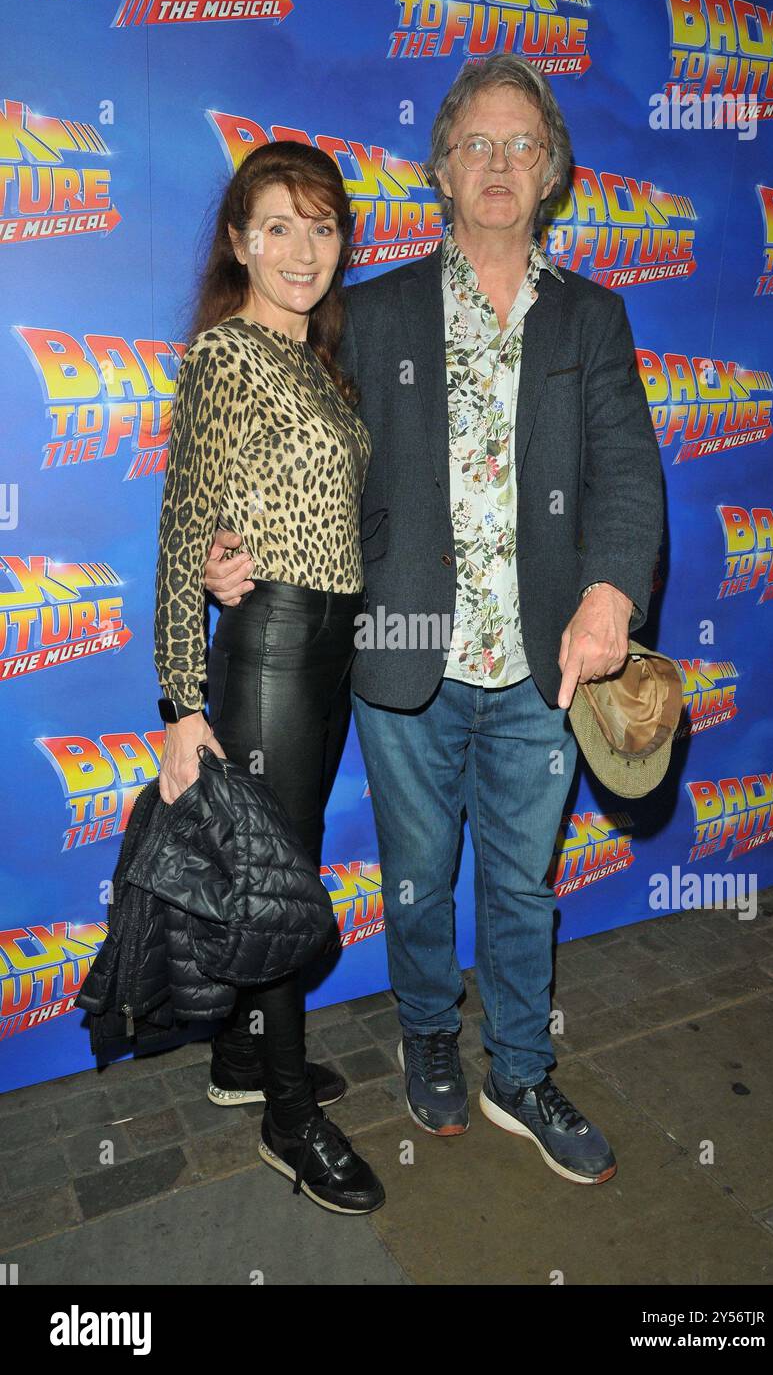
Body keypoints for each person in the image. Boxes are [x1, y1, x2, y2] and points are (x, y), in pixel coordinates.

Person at [205, 57, 665, 1186]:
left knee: (522, 883)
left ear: (549, 174)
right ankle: (425, 1037)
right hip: (405, 653)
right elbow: (303, 455)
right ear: (442, 172)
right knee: (415, 874)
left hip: (548, 664)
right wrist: (232, 545)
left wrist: (609, 593)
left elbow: (626, 473)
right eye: (476, 145)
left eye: (521, 146)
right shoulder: (371, 313)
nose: (498, 163)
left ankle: (521, 1070)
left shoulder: (592, 317)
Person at [154, 140, 385, 1214]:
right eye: (278, 226)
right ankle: (288, 1118)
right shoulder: (225, 355)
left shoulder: (315, 361)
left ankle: (243, 1053)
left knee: (287, 865)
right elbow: (180, 532)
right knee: (277, 888)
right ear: (239, 242)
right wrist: (180, 703)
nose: (302, 249)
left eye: (321, 226)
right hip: (274, 651)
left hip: (329, 647)